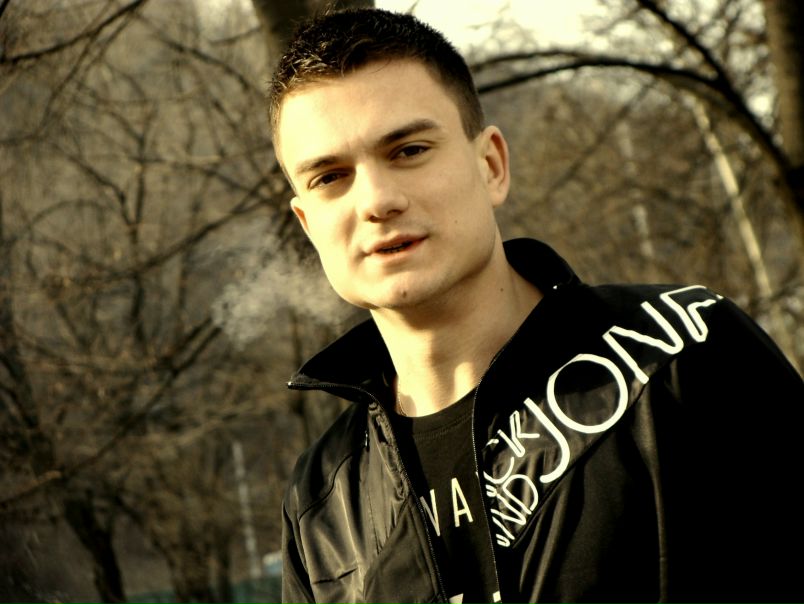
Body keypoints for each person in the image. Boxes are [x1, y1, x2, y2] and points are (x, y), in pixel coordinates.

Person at [268, 8, 804, 604]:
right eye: (329, 177)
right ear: (308, 224)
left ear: (491, 166)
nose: (376, 200)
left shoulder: (681, 355)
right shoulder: (321, 502)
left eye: (409, 150)